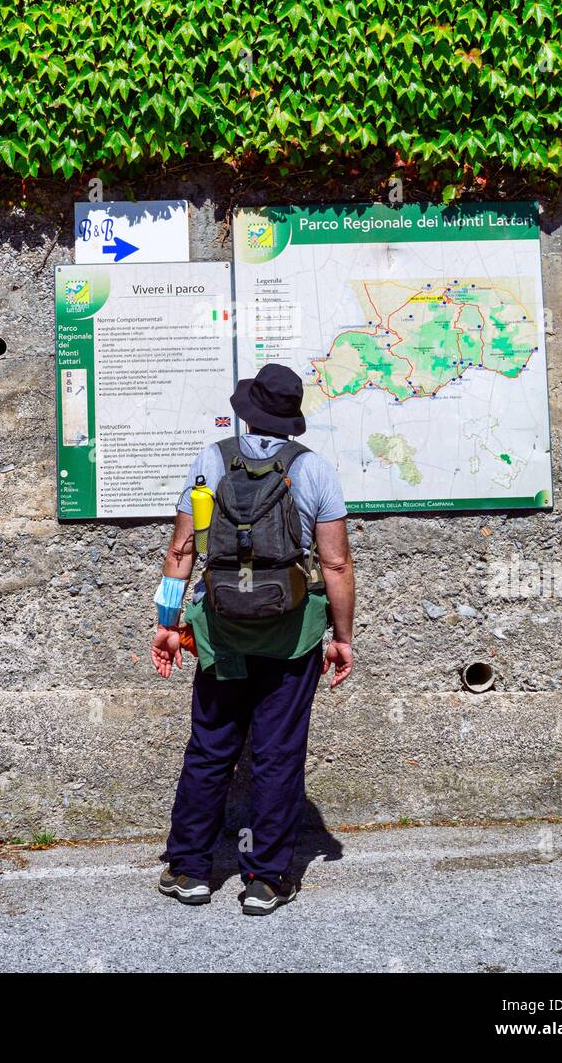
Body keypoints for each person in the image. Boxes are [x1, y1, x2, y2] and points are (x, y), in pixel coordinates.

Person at [150, 362, 355, 916]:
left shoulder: (211, 460)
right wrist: (341, 637)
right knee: (277, 753)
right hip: (292, 637)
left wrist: (169, 625)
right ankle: (266, 879)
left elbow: (181, 552)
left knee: (212, 747)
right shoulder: (315, 471)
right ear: (291, 420)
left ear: (246, 410)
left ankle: (190, 868)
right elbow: (334, 563)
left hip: (222, 634)